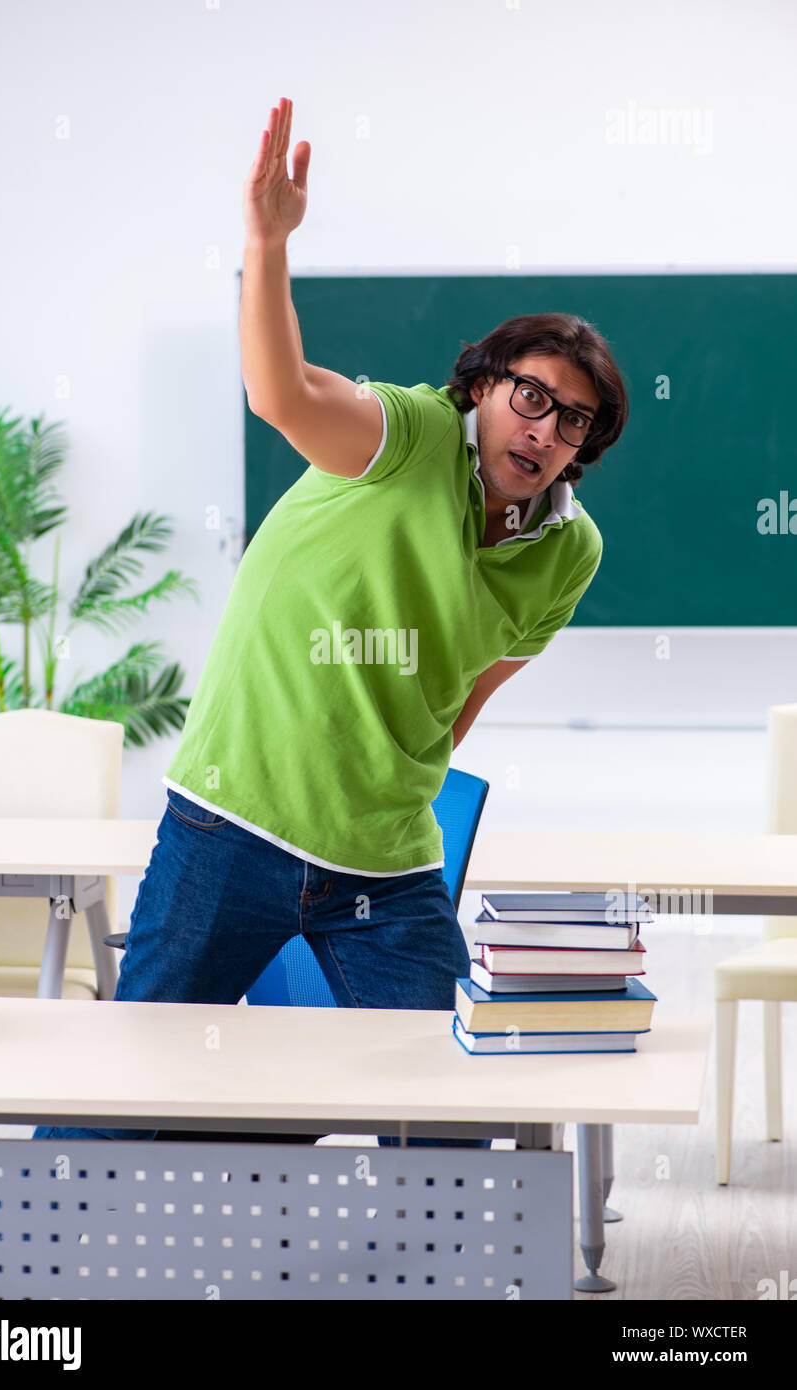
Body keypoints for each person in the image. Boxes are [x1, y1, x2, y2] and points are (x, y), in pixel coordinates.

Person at [34, 96, 628, 1146]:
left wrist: (378, 773)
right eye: (529, 396)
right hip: (233, 827)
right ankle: (24, 1285)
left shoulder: (568, 550)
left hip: (388, 862)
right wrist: (268, 242)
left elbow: (467, 697)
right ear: (482, 389)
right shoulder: (406, 435)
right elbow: (281, 389)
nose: (544, 426)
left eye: (571, 418)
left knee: (451, 1113)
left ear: (583, 447)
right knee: (127, 1090)